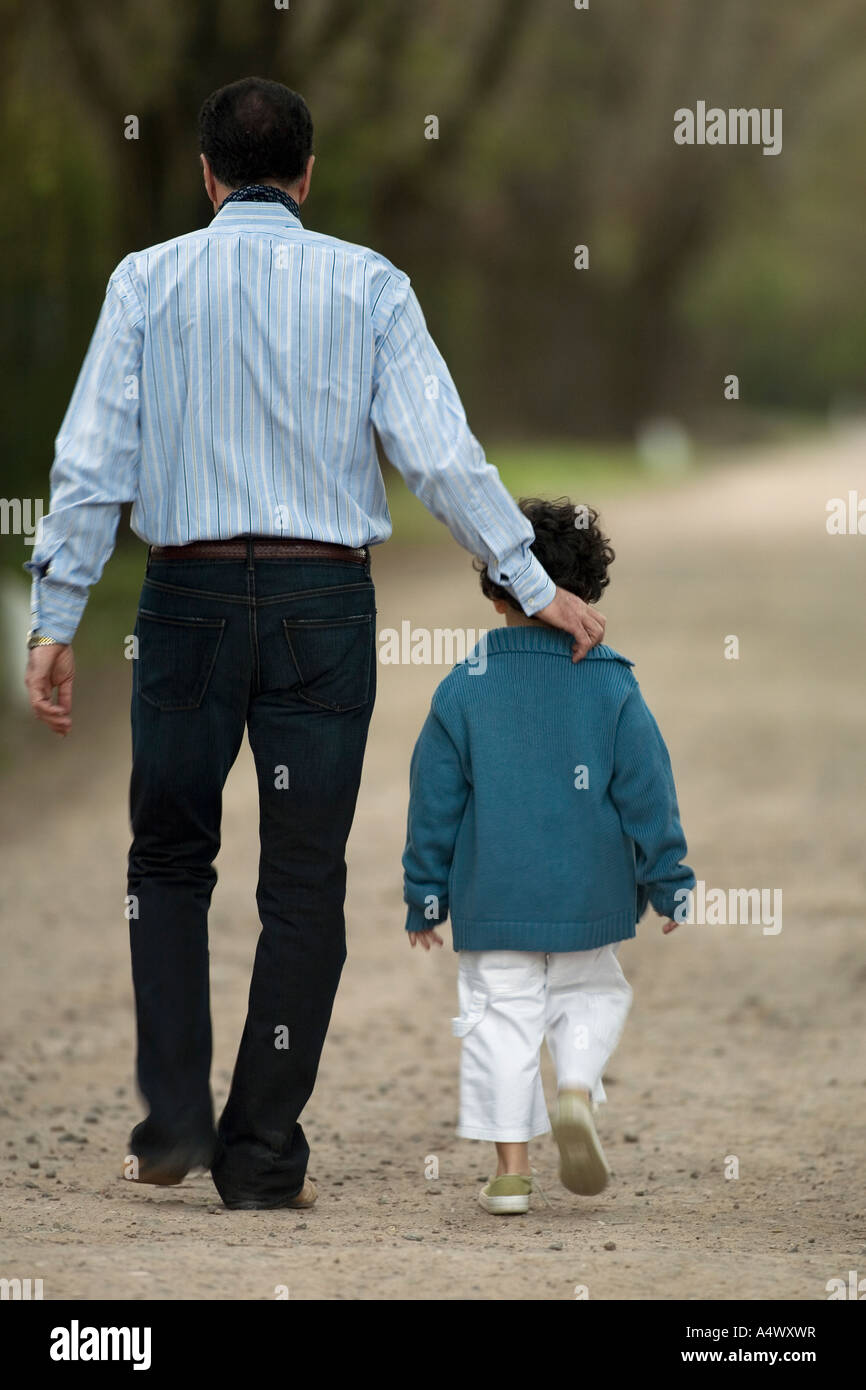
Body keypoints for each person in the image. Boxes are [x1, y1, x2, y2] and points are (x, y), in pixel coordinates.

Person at [23, 78, 605, 1211]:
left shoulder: (144, 281)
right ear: (307, 174)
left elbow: (90, 463)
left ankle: (177, 1115)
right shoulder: (368, 285)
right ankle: (261, 1153)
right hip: (320, 609)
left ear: (204, 175)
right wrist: (528, 582)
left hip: (183, 601)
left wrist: (55, 615)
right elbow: (441, 454)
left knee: (166, 863)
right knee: (303, 883)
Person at [402, 499, 695, 1214]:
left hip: (493, 898)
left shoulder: (462, 686)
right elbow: (648, 790)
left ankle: (510, 1175)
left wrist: (425, 894)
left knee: (500, 1020)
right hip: (588, 894)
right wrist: (669, 878)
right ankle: (573, 1091)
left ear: (497, 586)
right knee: (591, 995)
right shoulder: (612, 681)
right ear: (587, 589)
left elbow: (433, 801)